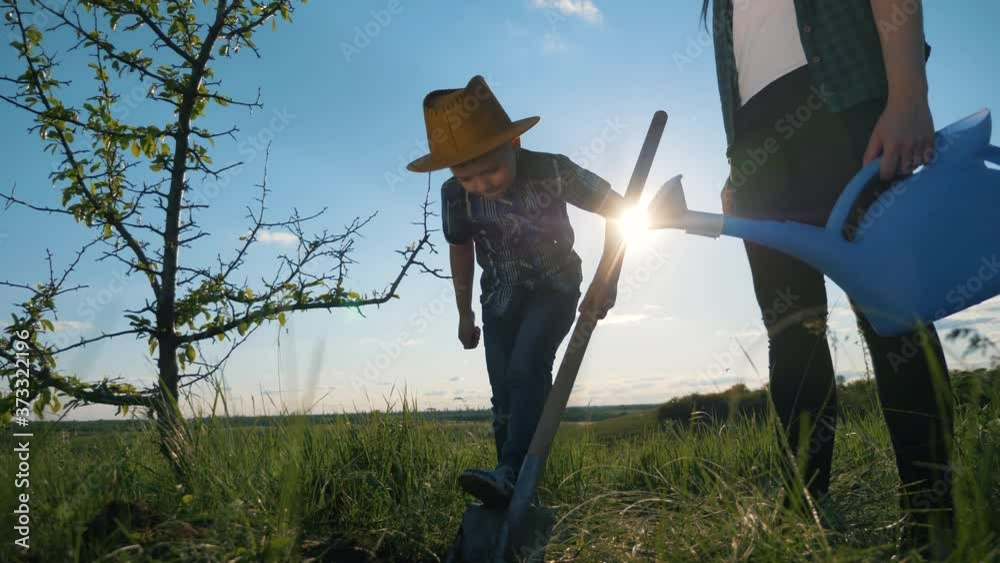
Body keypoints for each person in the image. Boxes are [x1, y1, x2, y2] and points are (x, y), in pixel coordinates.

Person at [703, 0, 954, 557]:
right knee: (791, 333)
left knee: (894, 319)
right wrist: (737, 166)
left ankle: (933, 523)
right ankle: (801, 519)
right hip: (759, 157)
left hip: (848, 113)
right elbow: (746, 65)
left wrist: (909, 96)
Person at [407, 75, 625, 507]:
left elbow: (618, 209)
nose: (482, 183)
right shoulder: (455, 196)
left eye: (490, 168)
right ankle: (509, 487)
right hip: (499, 298)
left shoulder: (551, 170)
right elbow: (461, 249)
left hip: (554, 287)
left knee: (528, 366)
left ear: (516, 146)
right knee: (504, 390)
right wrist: (464, 312)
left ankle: (512, 472)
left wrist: (607, 280)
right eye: (467, 176)